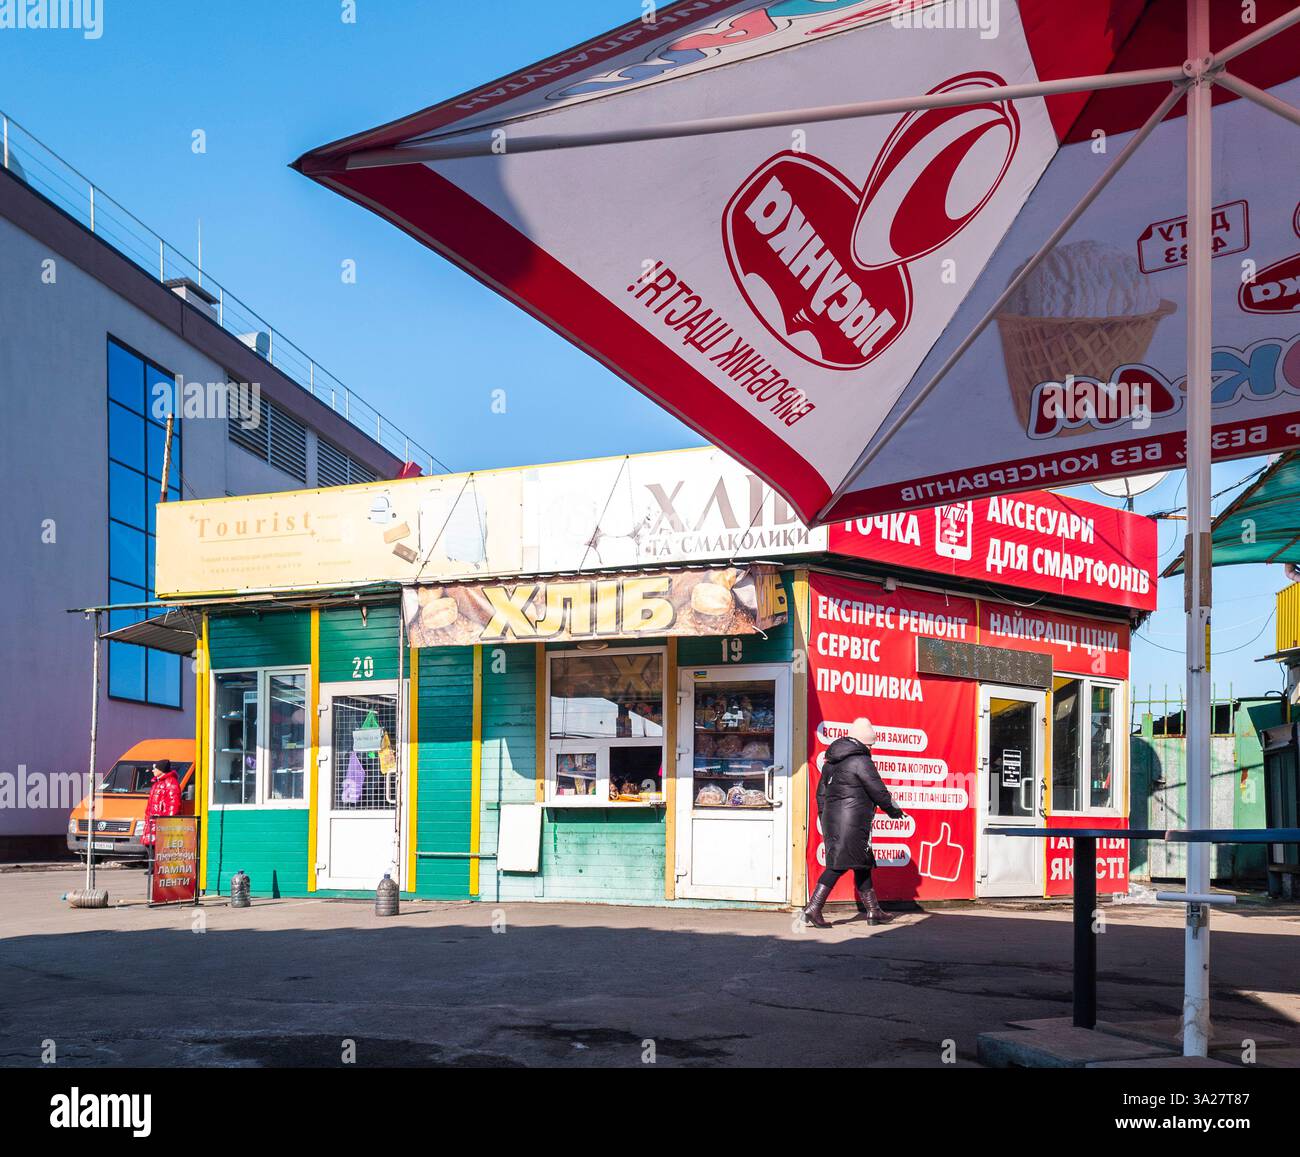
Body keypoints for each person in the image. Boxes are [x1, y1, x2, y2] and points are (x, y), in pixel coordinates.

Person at [802, 718, 906, 928]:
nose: (871, 748)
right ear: (861, 742)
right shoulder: (861, 761)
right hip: (853, 821)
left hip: (834, 820)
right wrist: (893, 810)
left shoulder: (831, 763)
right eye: (869, 744)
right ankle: (813, 907)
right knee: (837, 866)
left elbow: (820, 794)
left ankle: (873, 911)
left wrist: (825, 817)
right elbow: (877, 789)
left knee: (862, 863)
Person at [141, 758, 181, 872]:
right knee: (149, 844)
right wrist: (147, 816)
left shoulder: (171, 783)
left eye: (155, 768)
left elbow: (174, 803)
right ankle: (153, 867)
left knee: (160, 846)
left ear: (161, 770)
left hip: (161, 820)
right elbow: (151, 803)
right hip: (153, 820)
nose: (153, 771)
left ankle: (158, 868)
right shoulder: (157, 783)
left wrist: (168, 820)